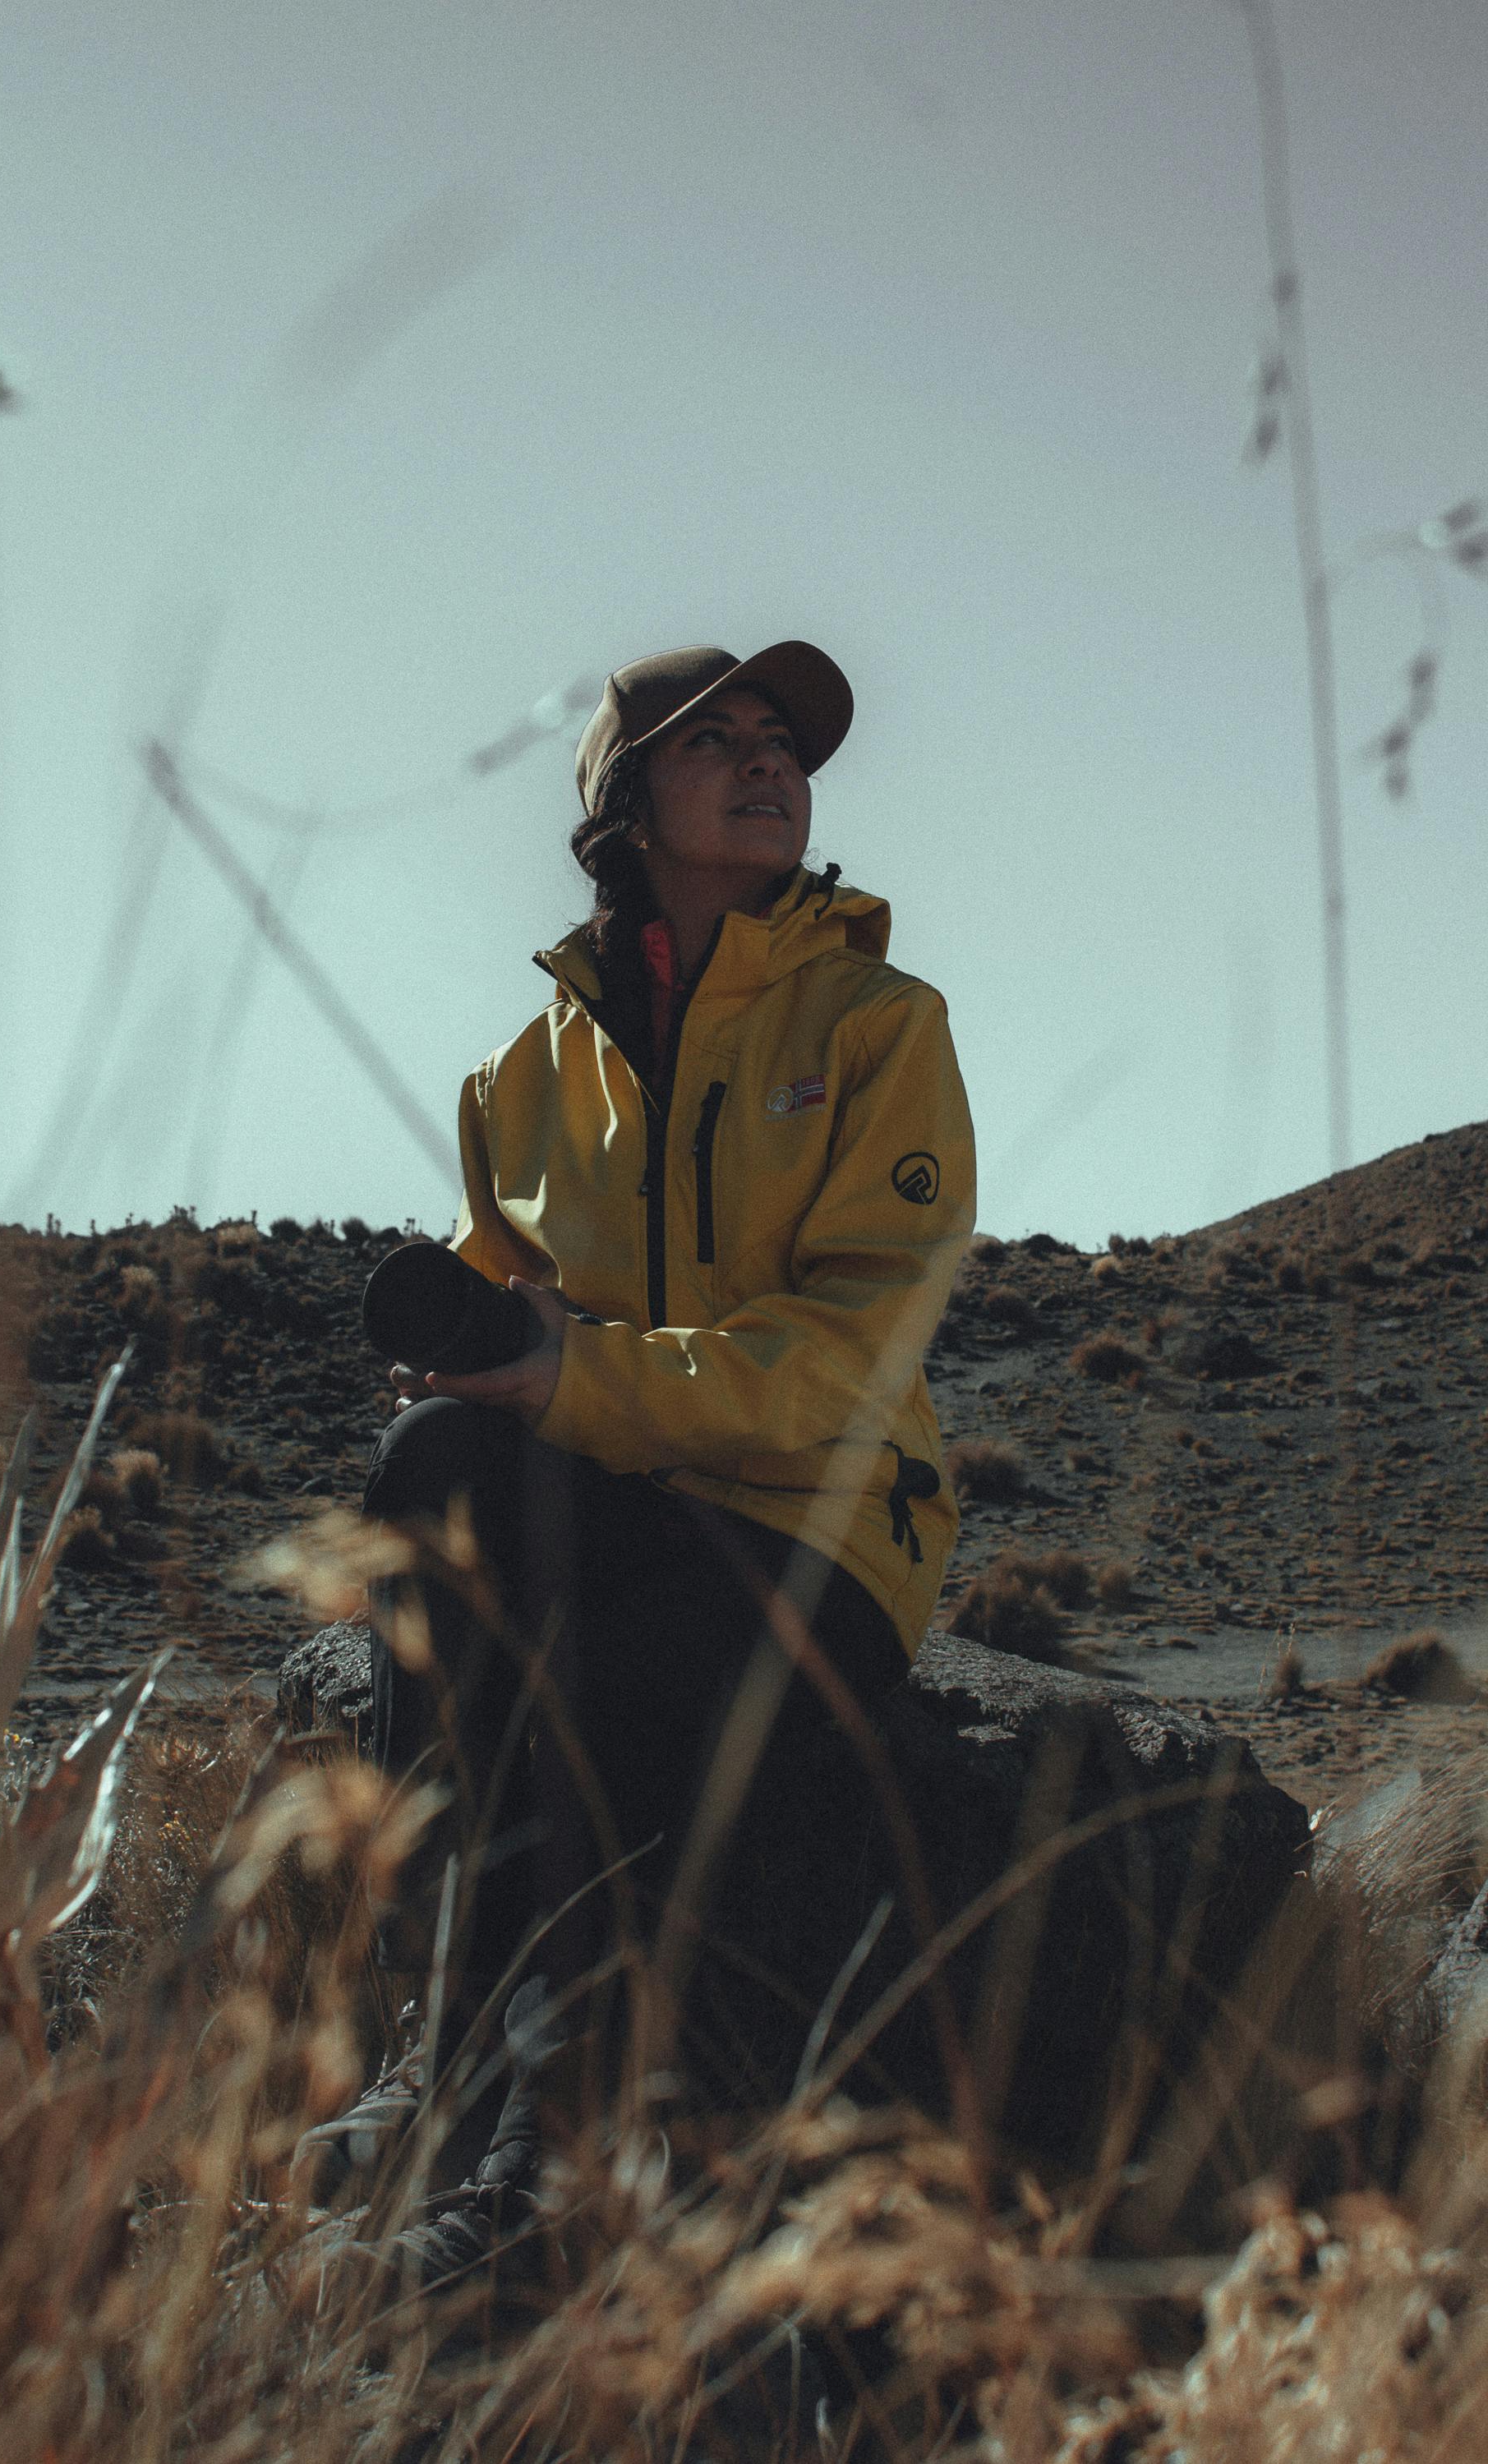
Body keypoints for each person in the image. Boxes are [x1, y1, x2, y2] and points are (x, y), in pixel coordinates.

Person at [303, 641, 974, 2273]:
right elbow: (496, 1358)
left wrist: (582, 1378)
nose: (767, 766)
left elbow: (852, 1352)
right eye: (716, 741)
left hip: (813, 1535)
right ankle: (447, 2047)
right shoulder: (514, 1083)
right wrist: (491, 1365)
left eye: (782, 745)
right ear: (623, 799)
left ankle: (542, 2166)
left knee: (575, 1665)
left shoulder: (879, 1024)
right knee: (428, 1469)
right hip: (612, 1513)